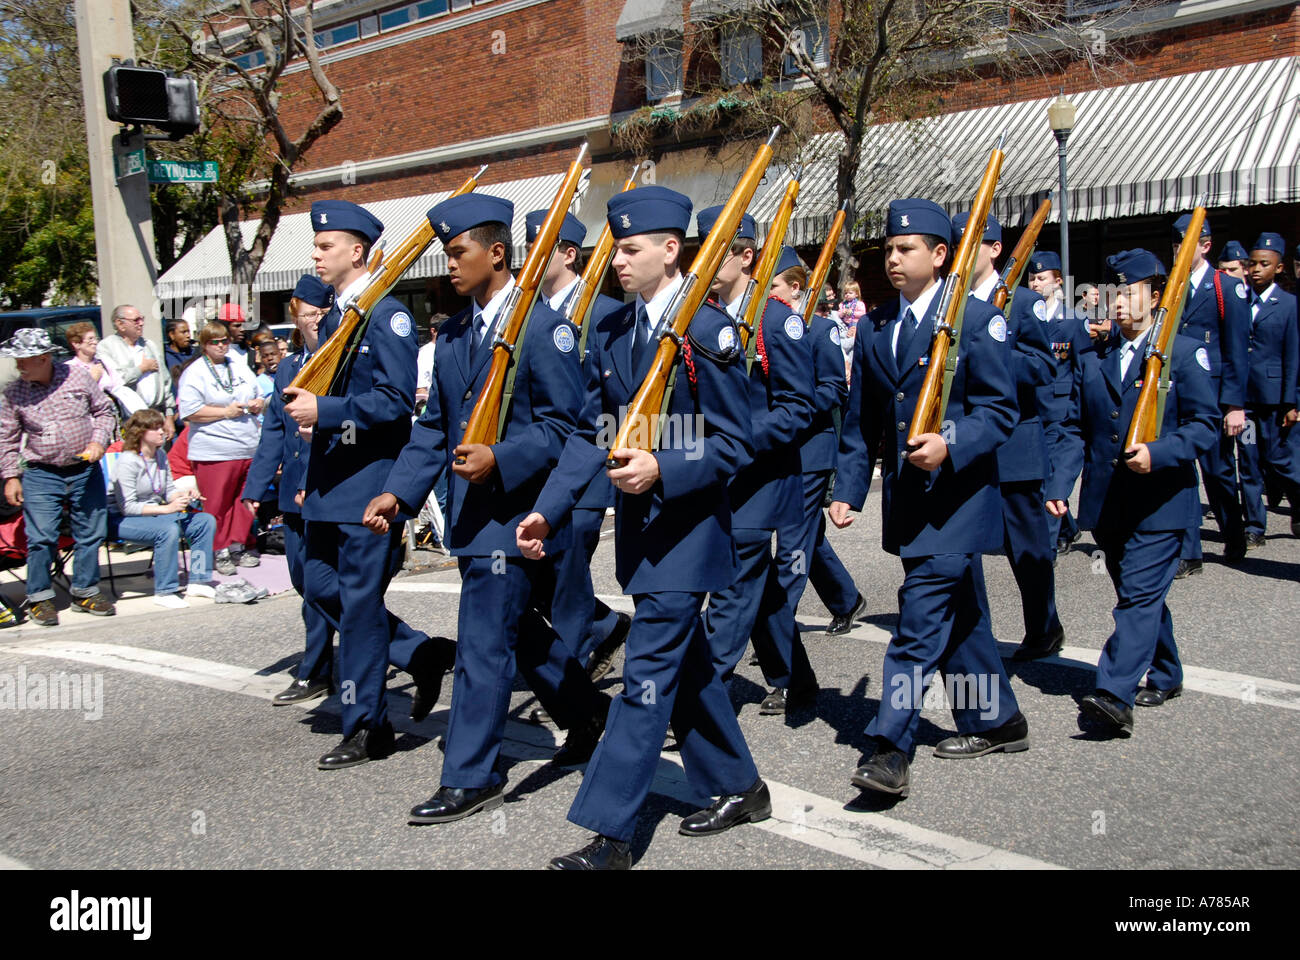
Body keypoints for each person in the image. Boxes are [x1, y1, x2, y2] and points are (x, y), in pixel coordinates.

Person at [518, 185, 770, 870]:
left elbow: (735, 441)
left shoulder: (708, 330)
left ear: (670, 248)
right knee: (685, 672)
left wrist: (665, 464)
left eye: (629, 250)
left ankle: (611, 833)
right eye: (614, 249)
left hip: (689, 536)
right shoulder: (613, 331)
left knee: (646, 679)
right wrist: (551, 505)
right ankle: (740, 786)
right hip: (642, 536)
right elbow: (589, 432)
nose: (617, 262)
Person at [364, 193, 607, 819]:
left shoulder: (541, 327)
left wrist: (503, 456)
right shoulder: (452, 335)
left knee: (480, 645)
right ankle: (590, 713)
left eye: (457, 252)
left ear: (495, 253)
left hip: (517, 513)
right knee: (521, 632)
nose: (448, 265)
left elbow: (568, 427)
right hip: (471, 514)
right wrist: (400, 490)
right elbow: (433, 426)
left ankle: (471, 773)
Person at [830, 198, 1026, 799]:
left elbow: (1001, 410)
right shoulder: (877, 326)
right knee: (960, 620)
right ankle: (997, 720)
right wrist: (847, 490)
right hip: (911, 501)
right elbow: (863, 420)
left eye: (906, 248)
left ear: (940, 255)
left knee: (917, 621)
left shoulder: (973, 318)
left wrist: (952, 442)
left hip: (958, 500)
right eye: (888, 248)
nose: (892, 257)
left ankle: (890, 747)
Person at [284, 199, 454, 771]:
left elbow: (394, 403)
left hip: (369, 486)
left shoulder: (385, 314)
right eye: (316, 245)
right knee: (319, 587)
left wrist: (325, 411)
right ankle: (419, 653)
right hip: (330, 485)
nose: (316, 254)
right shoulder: (336, 316)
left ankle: (368, 726)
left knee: (357, 607)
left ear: (357, 250)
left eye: (325, 246)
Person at [1048, 249, 1217, 736]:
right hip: (1108, 501)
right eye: (1112, 292)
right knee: (1139, 594)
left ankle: (1113, 693)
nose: (1117, 302)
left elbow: (1205, 426)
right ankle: (1166, 671)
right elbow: (1074, 428)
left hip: (1162, 501)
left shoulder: (1182, 353)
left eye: (1129, 291)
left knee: (1137, 598)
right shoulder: (1094, 359)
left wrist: (1161, 453)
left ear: (1157, 295)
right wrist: (1061, 483)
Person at [695, 205, 817, 715]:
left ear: (747, 256)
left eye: (718, 249)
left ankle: (702, 698)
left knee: (730, 584)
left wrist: (740, 436)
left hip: (760, 476)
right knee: (760, 587)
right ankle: (796, 677)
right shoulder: (701, 317)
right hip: (717, 473)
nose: (706, 258)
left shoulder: (775, 319)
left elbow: (799, 405)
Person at [521, 207, 631, 697]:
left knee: (566, 564)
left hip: (588, 464)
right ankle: (602, 625)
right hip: (543, 466)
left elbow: (620, 399)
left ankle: (573, 677)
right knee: (546, 568)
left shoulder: (606, 313)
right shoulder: (524, 315)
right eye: (527, 246)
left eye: (540, 247)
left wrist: (606, 457)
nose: (530, 256)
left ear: (570, 253)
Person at [953, 211, 1063, 662]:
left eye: (973, 244)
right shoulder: (950, 302)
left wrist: (993, 354)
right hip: (967, 441)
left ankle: (1043, 627)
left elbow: (1043, 367)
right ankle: (973, 637)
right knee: (965, 547)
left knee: (1027, 548)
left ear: (996, 249)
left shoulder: (1020, 302)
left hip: (1014, 442)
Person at [243, 275, 339, 705]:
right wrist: (254, 487)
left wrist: (304, 485)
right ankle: (400, 647)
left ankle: (317, 668)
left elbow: (327, 433)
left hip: (323, 488)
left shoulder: (336, 360)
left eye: (316, 314)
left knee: (321, 586)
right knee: (304, 580)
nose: (309, 322)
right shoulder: (286, 366)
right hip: (292, 494)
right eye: (303, 314)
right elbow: (274, 434)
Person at [767, 247, 864, 636]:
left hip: (810, 450)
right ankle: (845, 597)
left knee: (791, 543)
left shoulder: (820, 330)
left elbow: (835, 389)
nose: (767, 294)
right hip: (775, 448)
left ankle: (778, 631)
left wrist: (796, 405)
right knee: (807, 535)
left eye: (773, 287)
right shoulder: (762, 326)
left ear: (794, 288)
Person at [0, 328, 118, 626]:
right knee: (41, 538)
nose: (18, 366)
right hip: (42, 473)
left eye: (23, 360)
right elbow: (7, 438)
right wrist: (11, 476)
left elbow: (105, 411)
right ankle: (40, 598)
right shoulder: (14, 393)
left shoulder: (77, 377)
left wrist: (98, 441)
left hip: (84, 469)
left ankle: (85, 592)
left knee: (89, 533)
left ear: (43, 358)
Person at [1169, 213, 1250, 576]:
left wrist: (1235, 405)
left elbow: (1236, 349)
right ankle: (1191, 552)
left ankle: (1234, 533)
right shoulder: (1170, 284)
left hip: (1214, 394)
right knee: (1182, 470)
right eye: (1175, 246)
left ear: (1205, 245)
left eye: (1186, 245)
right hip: (1178, 392)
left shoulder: (1225, 287)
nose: (1180, 253)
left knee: (1217, 471)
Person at [176, 321, 264, 574]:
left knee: (244, 500)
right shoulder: (194, 372)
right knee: (216, 503)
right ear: (205, 345)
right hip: (214, 449)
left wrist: (258, 403)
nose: (222, 345)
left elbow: (258, 393)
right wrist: (225, 412)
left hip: (246, 445)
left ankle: (238, 544)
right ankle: (218, 549)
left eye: (225, 340)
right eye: (215, 342)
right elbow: (190, 411)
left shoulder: (238, 366)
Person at [113, 410, 217, 609]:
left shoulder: (160, 455)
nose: (162, 432)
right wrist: (168, 509)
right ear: (140, 433)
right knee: (167, 530)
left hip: (155, 513)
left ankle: (198, 580)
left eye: (162, 427)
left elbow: (167, 490)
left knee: (204, 521)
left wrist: (183, 494)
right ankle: (165, 590)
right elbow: (127, 506)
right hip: (124, 519)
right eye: (155, 428)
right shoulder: (128, 461)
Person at [1237, 232, 1300, 546]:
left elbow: (1293, 355)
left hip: (1274, 400)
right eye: (1252, 263)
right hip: (1244, 400)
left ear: (1279, 267)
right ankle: (1254, 527)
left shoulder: (1289, 305)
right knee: (1248, 461)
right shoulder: (1240, 301)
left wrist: (1290, 402)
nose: (1256, 269)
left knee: (1278, 459)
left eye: (1265, 264)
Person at [1030, 251, 1087, 555]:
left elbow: (1082, 368)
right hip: (1033, 407)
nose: (1036, 283)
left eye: (1042, 278)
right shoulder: (1028, 315)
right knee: (1040, 472)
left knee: (1048, 475)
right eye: (1033, 278)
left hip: (1060, 410)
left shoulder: (1073, 321)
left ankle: (1047, 547)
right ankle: (1069, 526)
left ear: (1057, 282)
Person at [96, 304, 178, 440]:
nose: (141, 323)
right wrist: (141, 369)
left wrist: (169, 416)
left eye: (142, 319)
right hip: (130, 420)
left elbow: (165, 382)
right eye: (136, 320)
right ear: (120, 324)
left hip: (156, 416)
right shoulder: (107, 347)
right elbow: (116, 380)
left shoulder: (149, 345)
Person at [837, 280, 866, 380]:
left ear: (856, 293)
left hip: (855, 324)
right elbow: (839, 314)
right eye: (845, 293)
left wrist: (852, 313)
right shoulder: (842, 305)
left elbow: (862, 314)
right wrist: (844, 312)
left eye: (850, 293)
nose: (847, 295)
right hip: (845, 325)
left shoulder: (859, 304)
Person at [164, 320, 194, 384]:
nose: (188, 335)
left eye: (188, 331)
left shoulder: (195, 354)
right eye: (183, 332)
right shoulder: (164, 356)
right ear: (172, 335)